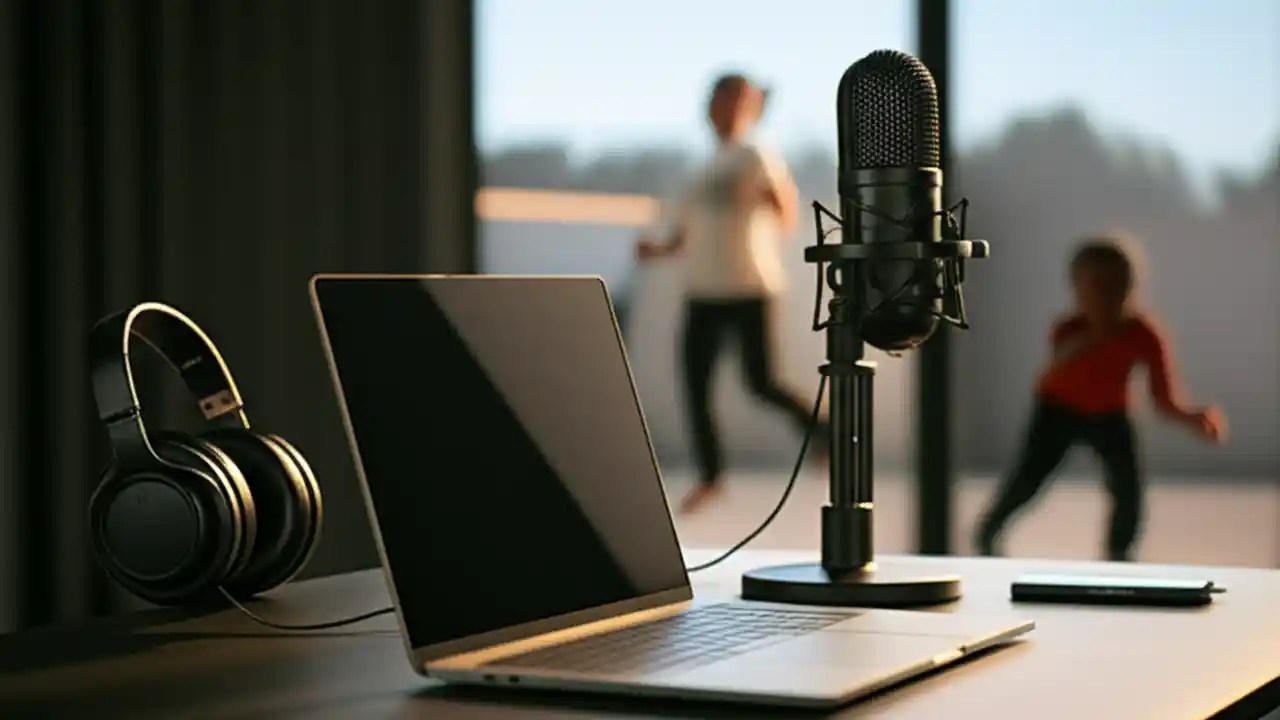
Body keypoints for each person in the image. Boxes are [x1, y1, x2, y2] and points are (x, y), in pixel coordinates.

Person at [975, 235, 1226, 561]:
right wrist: (1095, 335)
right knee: (1027, 479)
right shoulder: (1069, 328)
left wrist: (1194, 419)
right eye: (1098, 287)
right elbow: (1053, 368)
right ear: (1076, 289)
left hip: (1111, 415)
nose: (1108, 297)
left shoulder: (1144, 334)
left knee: (1128, 492)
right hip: (1057, 410)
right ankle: (988, 533)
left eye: (1118, 287)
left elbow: (1164, 398)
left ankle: (1118, 556)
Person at [637, 73, 815, 514]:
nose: (724, 110)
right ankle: (711, 475)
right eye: (719, 101)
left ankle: (823, 429)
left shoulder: (756, 155)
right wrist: (657, 250)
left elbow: (786, 211)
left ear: (749, 109)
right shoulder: (700, 170)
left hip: (750, 286)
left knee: (761, 382)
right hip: (703, 290)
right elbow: (683, 235)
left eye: (735, 102)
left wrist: (762, 196)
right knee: (694, 385)